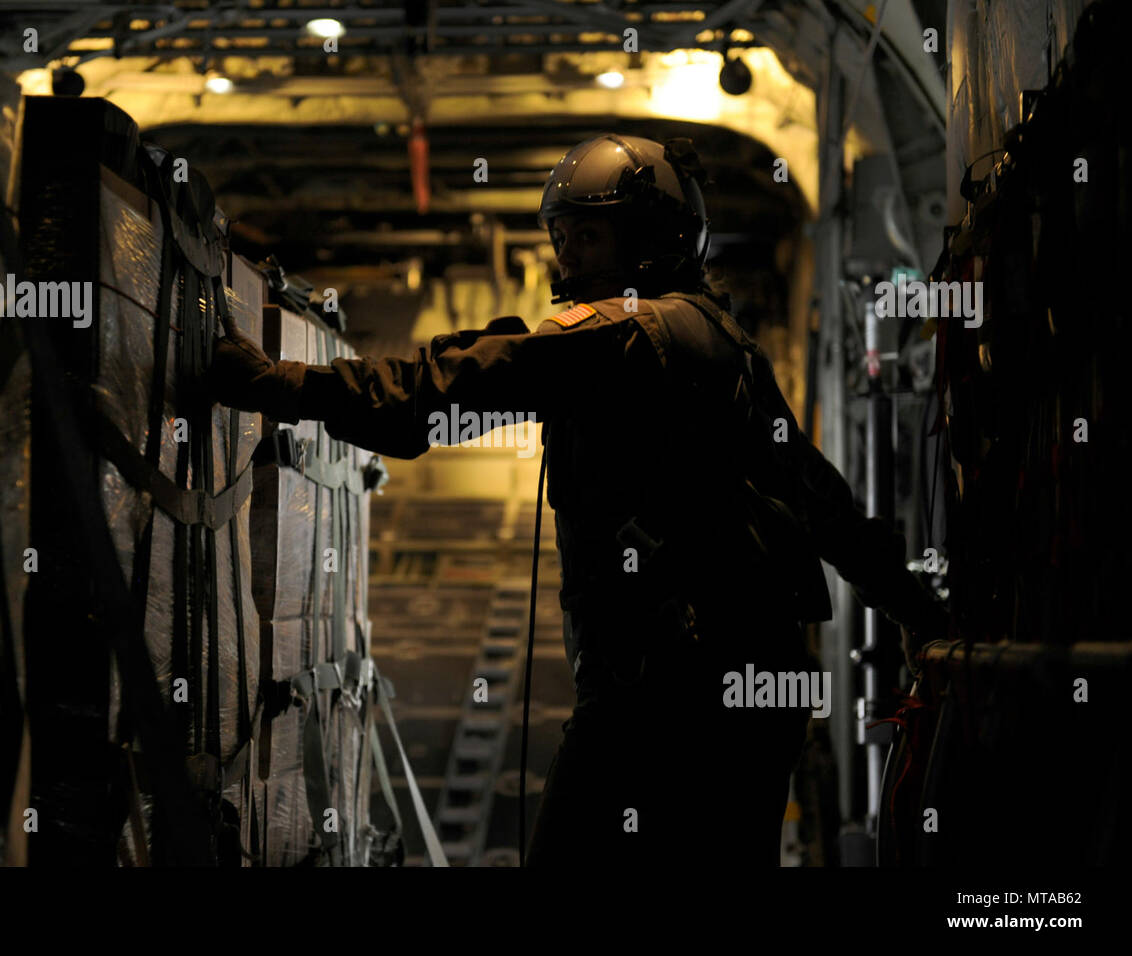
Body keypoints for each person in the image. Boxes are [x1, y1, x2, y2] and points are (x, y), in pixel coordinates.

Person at [210, 134, 949, 867]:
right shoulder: (722, 344)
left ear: (652, 239)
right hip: (752, 693)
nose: (569, 259)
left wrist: (281, 384)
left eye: (587, 237)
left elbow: (447, 388)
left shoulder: (625, 336)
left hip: (665, 699)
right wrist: (916, 608)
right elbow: (823, 498)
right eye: (562, 237)